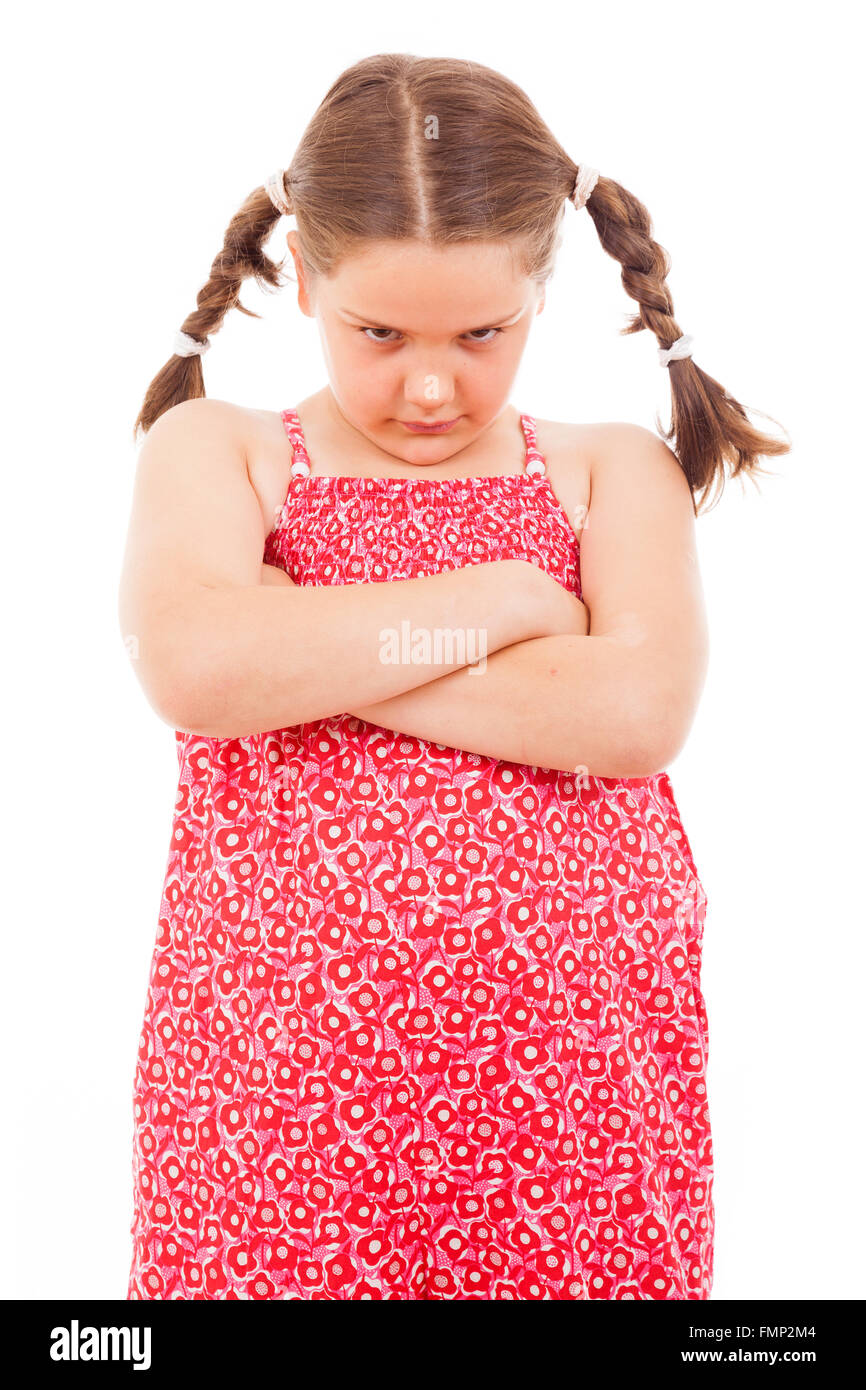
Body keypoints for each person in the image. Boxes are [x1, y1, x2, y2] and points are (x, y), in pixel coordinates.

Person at [119, 53, 789, 1301]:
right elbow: (200, 667)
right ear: (305, 277)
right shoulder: (219, 450)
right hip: (283, 1092)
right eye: (378, 332)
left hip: (572, 1084)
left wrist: (306, 646)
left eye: (483, 333)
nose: (431, 385)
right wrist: (490, 609)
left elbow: (635, 715)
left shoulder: (610, 469)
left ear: (540, 287)